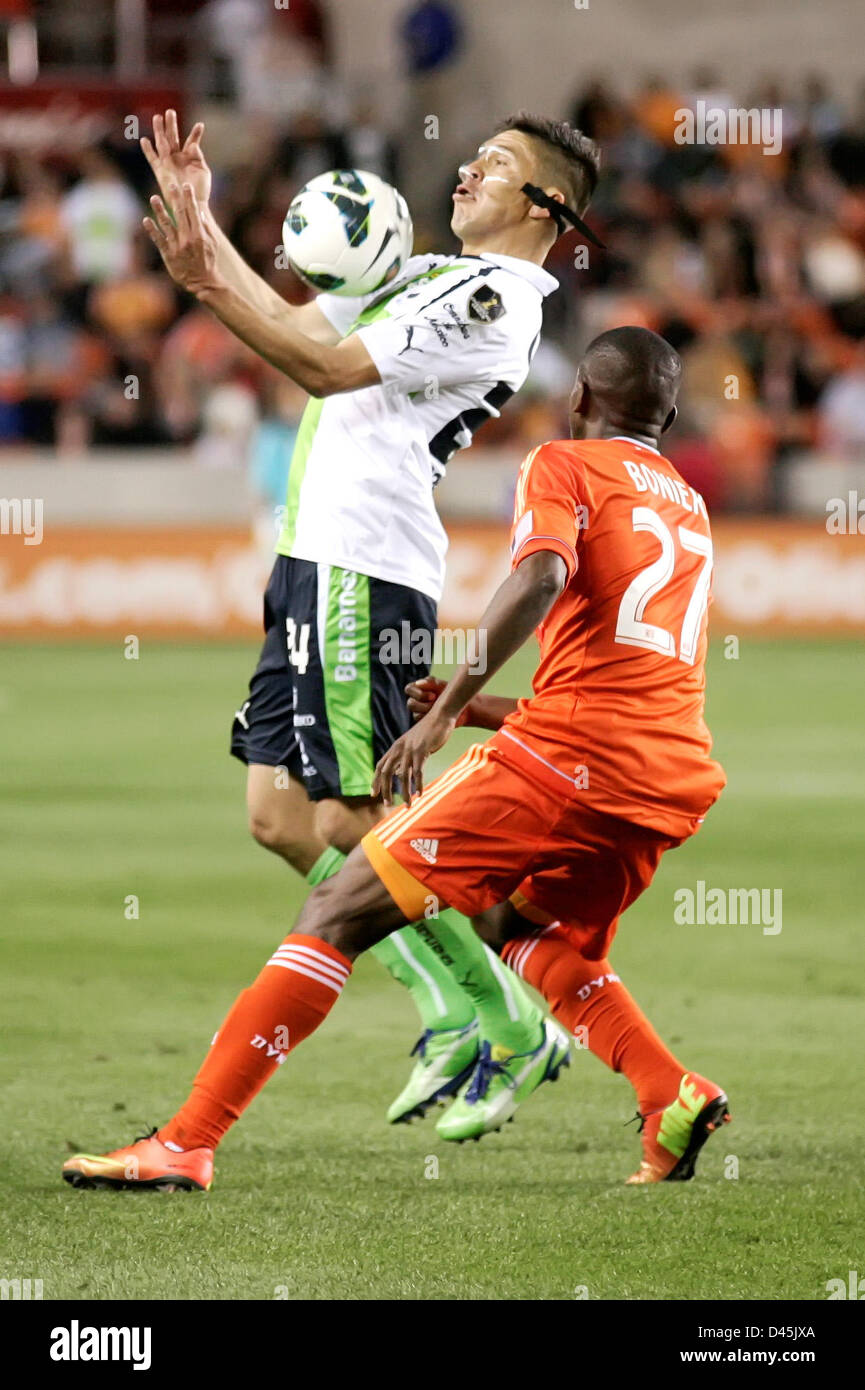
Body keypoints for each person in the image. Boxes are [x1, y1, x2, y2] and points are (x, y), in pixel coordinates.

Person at [63, 326, 730, 1193]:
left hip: (569, 759)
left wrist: (449, 708)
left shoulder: (562, 462)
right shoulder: (688, 503)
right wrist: (497, 712)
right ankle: (667, 1093)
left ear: (577, 401)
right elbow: (632, 669)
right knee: (521, 929)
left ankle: (186, 1142)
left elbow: (537, 578)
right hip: (665, 777)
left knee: (336, 907)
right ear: (669, 413)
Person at [130, 110, 602, 1137]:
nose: (470, 166)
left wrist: (208, 281)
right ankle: (444, 1005)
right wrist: (203, 237)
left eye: (499, 164)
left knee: (352, 815)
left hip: (362, 569)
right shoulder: (437, 272)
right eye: (476, 152)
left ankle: (505, 1015)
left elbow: (328, 372)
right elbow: (307, 332)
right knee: (280, 818)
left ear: (544, 207)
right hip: (314, 560)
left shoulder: (489, 295)